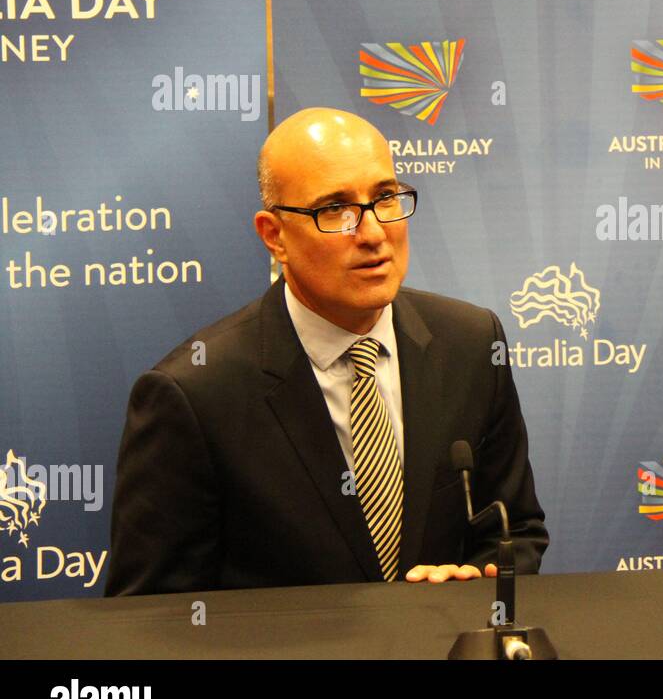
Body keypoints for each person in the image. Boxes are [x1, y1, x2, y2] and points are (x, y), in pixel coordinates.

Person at [106, 108, 546, 595]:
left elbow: (515, 533)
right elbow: (149, 615)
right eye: (335, 209)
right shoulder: (193, 394)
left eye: (385, 198)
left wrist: (472, 585)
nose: (375, 233)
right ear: (275, 236)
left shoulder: (470, 343)